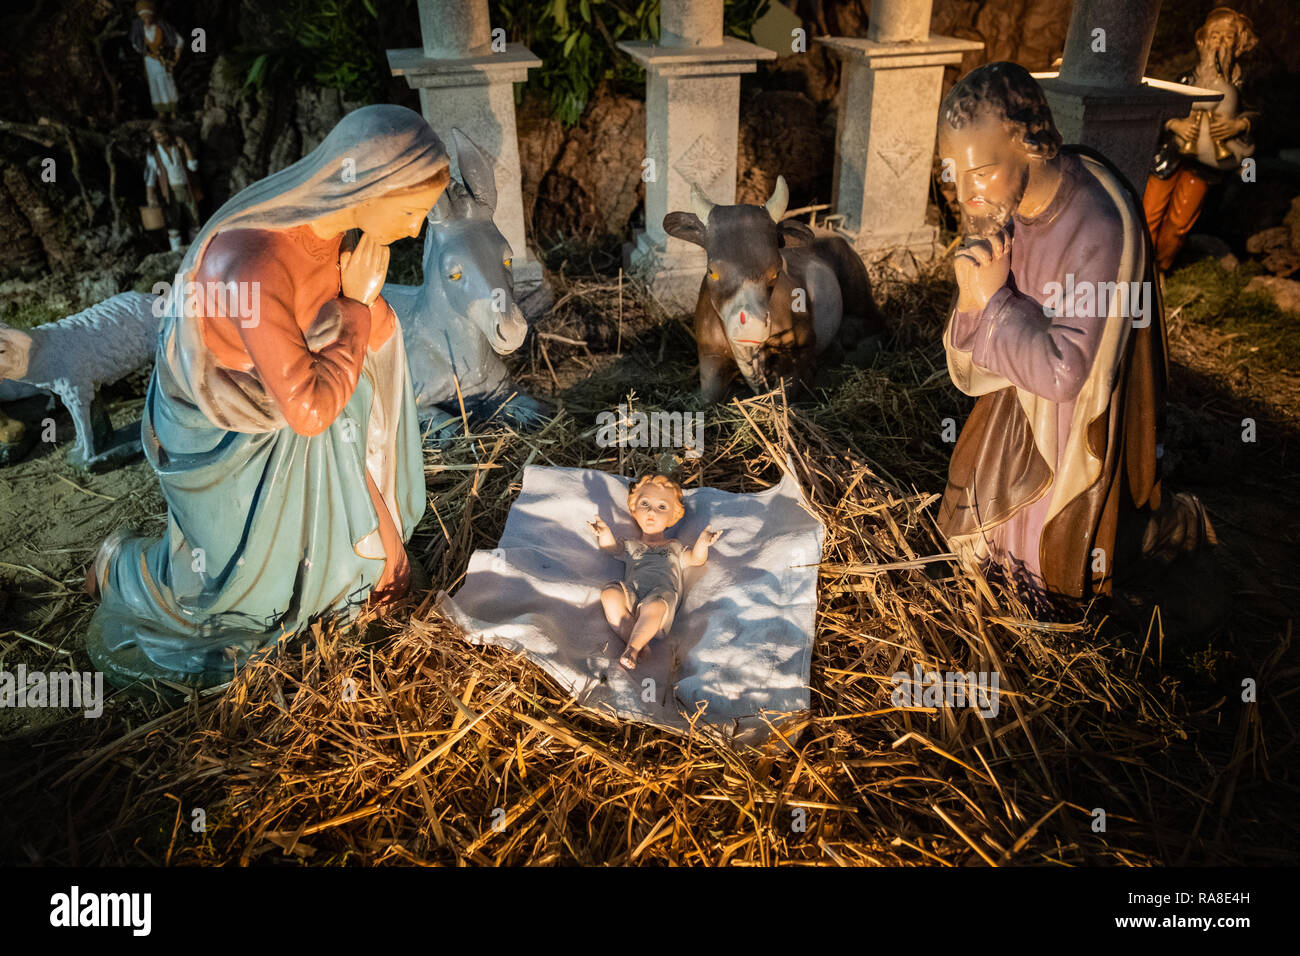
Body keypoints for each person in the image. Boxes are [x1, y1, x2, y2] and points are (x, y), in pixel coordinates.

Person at [85, 104, 450, 688]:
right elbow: (307, 409)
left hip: (302, 401)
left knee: (386, 576)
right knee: (251, 604)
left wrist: (361, 315)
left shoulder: (328, 234)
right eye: (409, 210)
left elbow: (343, 340)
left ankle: (348, 557)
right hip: (226, 433)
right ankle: (126, 568)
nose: (412, 230)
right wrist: (356, 309)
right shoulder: (251, 265)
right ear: (368, 186)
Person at [935, 62, 1167, 604]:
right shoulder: (1003, 208)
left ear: (1030, 146)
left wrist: (992, 302)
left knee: (1034, 565)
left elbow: (1066, 372)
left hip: (1066, 433)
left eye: (981, 171)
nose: (964, 192)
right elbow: (978, 335)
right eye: (954, 172)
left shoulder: (1095, 228)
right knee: (975, 534)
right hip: (1014, 404)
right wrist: (976, 300)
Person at [1144, 7, 1258, 272]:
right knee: (1149, 214)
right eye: (1214, 35)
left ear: (1239, 45)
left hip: (1205, 166)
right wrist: (1176, 124)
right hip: (1169, 158)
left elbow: (1260, 114)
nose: (1219, 42)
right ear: (1202, 41)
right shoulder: (1185, 79)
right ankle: (1139, 267)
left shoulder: (1242, 85)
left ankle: (1161, 266)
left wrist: (1239, 123)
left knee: (1180, 223)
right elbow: (1160, 111)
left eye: (1227, 37)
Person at [589, 475, 722, 670]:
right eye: (645, 504)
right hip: (632, 594)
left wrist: (702, 542)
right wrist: (604, 533)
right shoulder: (631, 544)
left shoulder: (674, 546)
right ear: (634, 509)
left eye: (662, 507)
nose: (651, 511)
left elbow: (696, 559)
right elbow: (611, 549)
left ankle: (633, 648)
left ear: (672, 517)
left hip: (661, 597)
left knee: (655, 606)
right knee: (609, 593)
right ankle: (635, 641)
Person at [144, 119, 202, 251]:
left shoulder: (178, 148)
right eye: (157, 137)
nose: (160, 139)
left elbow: (193, 166)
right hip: (170, 193)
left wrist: (185, 147)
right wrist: (150, 197)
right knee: (173, 224)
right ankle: (176, 254)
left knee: (194, 220)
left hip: (186, 189)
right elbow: (150, 179)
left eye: (162, 135)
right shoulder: (154, 155)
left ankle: (196, 252)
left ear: (168, 133)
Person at [129, 0, 184, 117]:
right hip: (150, 61)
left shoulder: (162, 27)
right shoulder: (139, 30)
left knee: (167, 82)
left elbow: (178, 39)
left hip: (163, 59)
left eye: (148, 17)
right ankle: (161, 111)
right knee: (155, 84)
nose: (147, 20)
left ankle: (173, 109)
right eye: (144, 18)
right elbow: (135, 44)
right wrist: (144, 51)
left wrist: (177, 51)